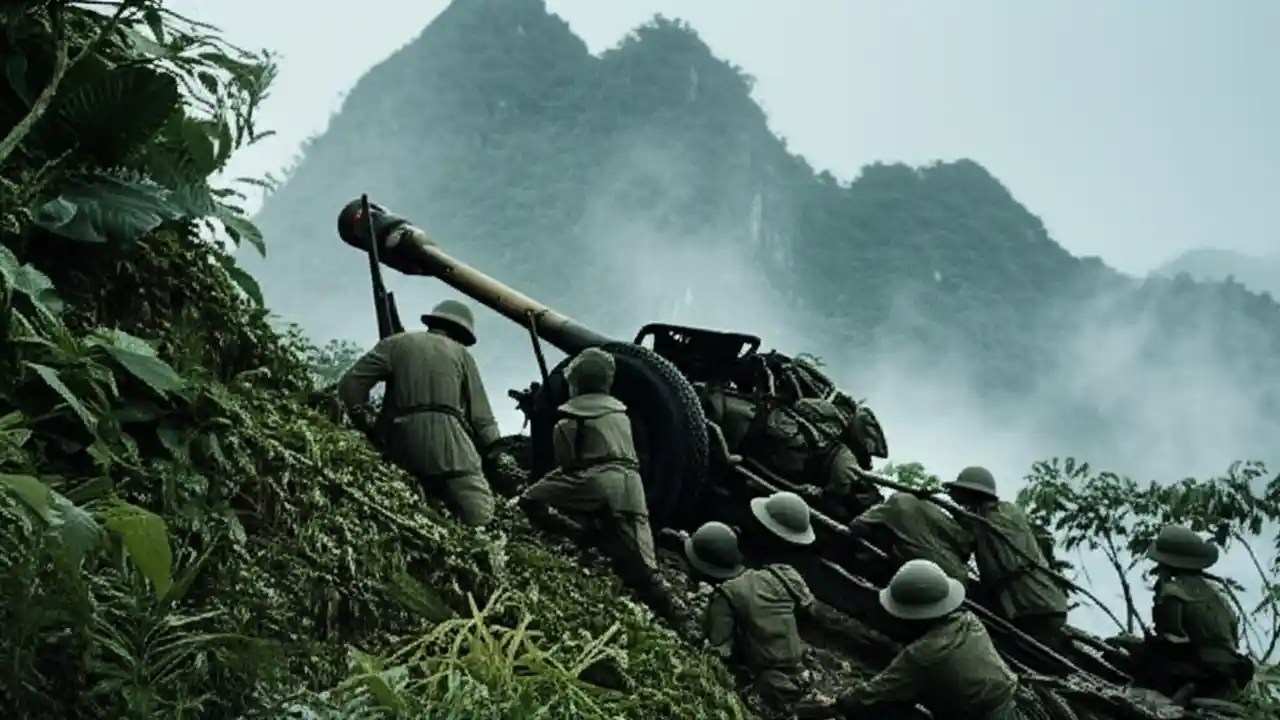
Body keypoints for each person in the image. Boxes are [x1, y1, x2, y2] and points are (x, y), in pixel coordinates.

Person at [517, 347, 682, 624]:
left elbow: (567, 464)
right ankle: (675, 611)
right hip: (632, 484)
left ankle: (580, 536)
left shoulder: (568, 422)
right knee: (644, 563)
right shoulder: (621, 415)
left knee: (530, 500)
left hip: (593, 480)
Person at [339, 299, 500, 526]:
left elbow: (350, 385)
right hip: (451, 447)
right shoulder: (462, 356)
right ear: (461, 334)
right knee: (480, 513)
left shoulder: (395, 343)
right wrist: (497, 453)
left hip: (401, 440)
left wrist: (366, 423)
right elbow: (482, 419)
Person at [795, 559, 1023, 720]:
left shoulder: (922, 655)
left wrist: (835, 705)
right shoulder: (969, 621)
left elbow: (875, 693)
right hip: (1018, 707)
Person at [682, 515, 822, 708]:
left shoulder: (726, 595)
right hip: (804, 672)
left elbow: (719, 651)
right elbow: (810, 610)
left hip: (771, 686)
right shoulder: (778, 573)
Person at [944, 466, 1070, 651]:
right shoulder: (1008, 511)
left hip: (1031, 607)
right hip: (1045, 602)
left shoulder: (983, 521)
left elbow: (961, 545)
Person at [1124, 524, 1253, 703]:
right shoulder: (1216, 592)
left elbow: (1172, 640)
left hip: (1200, 671)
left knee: (1143, 660)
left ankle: (1180, 695)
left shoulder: (1172, 591)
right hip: (1228, 669)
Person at [848, 491, 973, 585]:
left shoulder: (895, 502)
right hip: (959, 578)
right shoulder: (933, 510)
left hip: (930, 579)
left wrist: (874, 512)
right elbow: (965, 546)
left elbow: (856, 525)